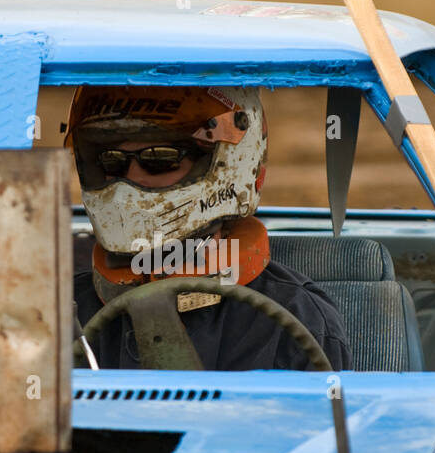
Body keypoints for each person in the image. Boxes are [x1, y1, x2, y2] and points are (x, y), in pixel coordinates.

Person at [65, 85, 351, 371]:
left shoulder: (295, 318)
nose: (129, 181)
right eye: (111, 160)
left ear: (229, 163)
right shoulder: (59, 312)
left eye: (159, 158)